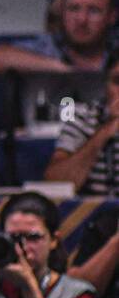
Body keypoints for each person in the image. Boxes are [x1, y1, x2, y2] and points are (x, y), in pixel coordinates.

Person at [0, 0, 117, 75]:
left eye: (94, 10)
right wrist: (61, 69)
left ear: (112, 16)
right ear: (62, 13)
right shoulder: (49, 46)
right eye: (73, 9)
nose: (82, 20)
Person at [43, 50, 119, 196]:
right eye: (118, 81)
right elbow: (56, 184)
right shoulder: (83, 117)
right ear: (106, 85)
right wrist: (106, 130)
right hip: (95, 214)